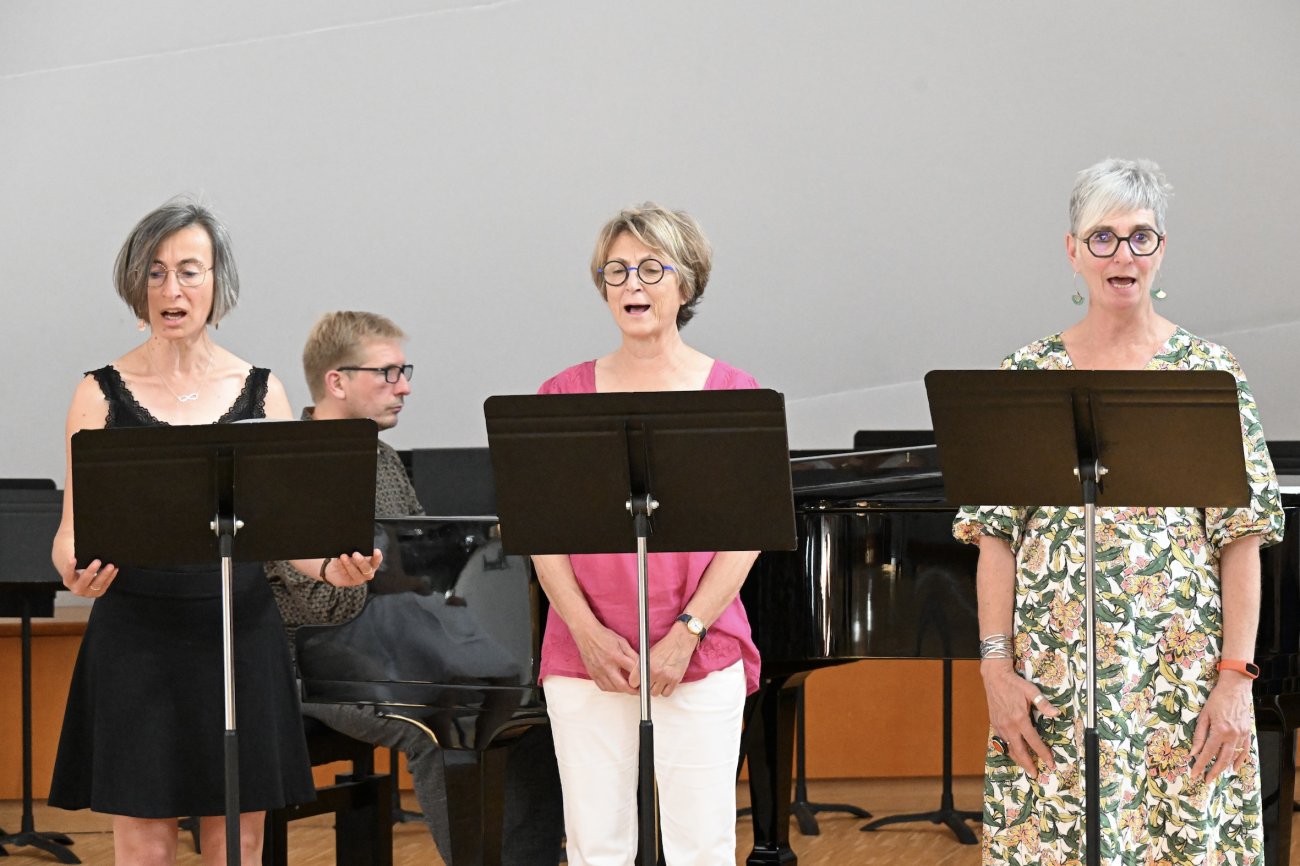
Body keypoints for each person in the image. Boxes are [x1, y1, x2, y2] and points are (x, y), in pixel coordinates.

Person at [954, 159, 1285, 865]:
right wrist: (995, 671)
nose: (1122, 255)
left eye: (1140, 236)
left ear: (1162, 249)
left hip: (1180, 686)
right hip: (1051, 685)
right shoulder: (1027, 374)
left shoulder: (1208, 373)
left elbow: (1242, 541)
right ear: (1071, 252)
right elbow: (996, 539)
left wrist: (1235, 680)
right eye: (1101, 238)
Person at [47, 198, 381, 866]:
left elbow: (288, 537)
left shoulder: (263, 391)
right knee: (145, 840)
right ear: (136, 285)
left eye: (190, 272)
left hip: (238, 630)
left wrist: (333, 566)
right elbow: (71, 535)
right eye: (157, 273)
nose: (173, 290)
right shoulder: (99, 393)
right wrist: (71, 569)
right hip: (136, 634)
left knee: (240, 837)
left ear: (217, 283)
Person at [266, 310, 564, 865]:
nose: (404, 386)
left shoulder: (378, 455)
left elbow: (418, 565)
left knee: (533, 712)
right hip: (312, 664)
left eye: (405, 371)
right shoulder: (293, 464)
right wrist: (393, 579)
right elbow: (321, 607)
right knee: (435, 725)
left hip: (392, 646)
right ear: (337, 381)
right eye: (388, 373)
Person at [532, 203, 761, 865]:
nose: (632, 285)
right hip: (586, 652)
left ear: (686, 284)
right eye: (617, 271)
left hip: (701, 647)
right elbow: (543, 537)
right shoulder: (560, 396)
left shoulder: (731, 394)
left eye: (652, 269)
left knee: (702, 847)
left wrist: (685, 634)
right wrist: (587, 633)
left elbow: (742, 536)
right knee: (596, 846)